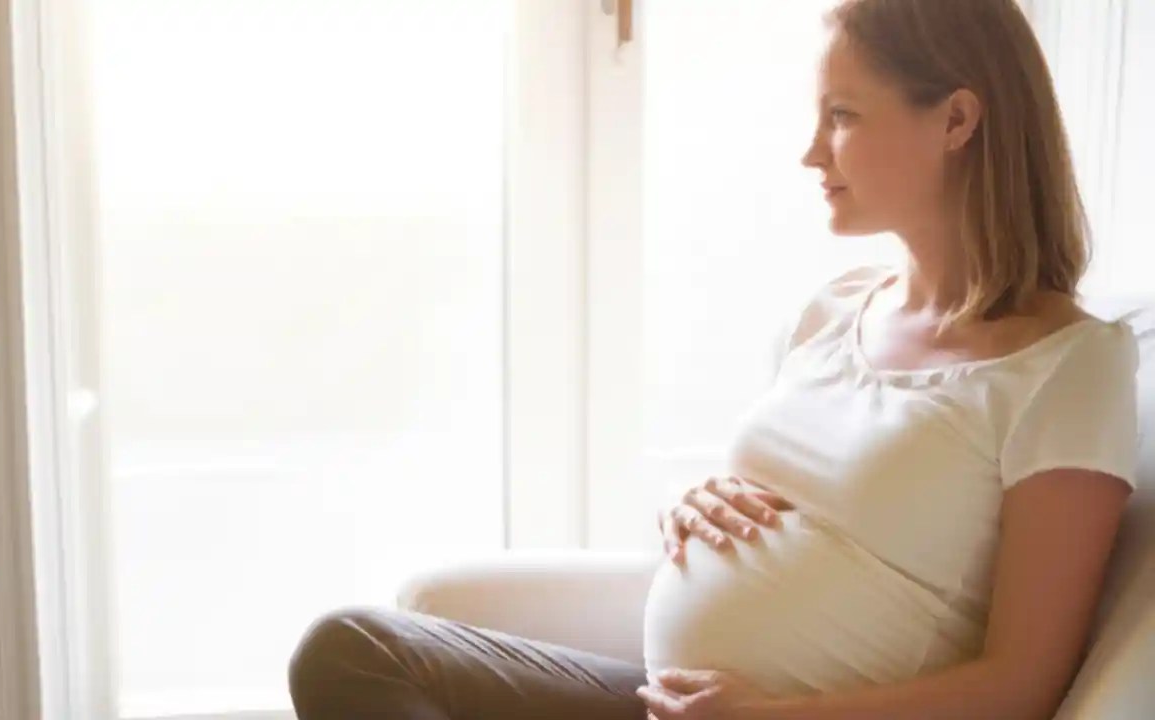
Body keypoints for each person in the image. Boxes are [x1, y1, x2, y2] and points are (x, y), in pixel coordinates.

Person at [287, 0, 1141, 718]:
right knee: (355, 652)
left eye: (842, 117)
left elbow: (1022, 685)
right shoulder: (837, 307)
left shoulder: (1069, 366)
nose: (812, 151)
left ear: (956, 119)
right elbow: (802, 513)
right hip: (678, 704)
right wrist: (690, 506)